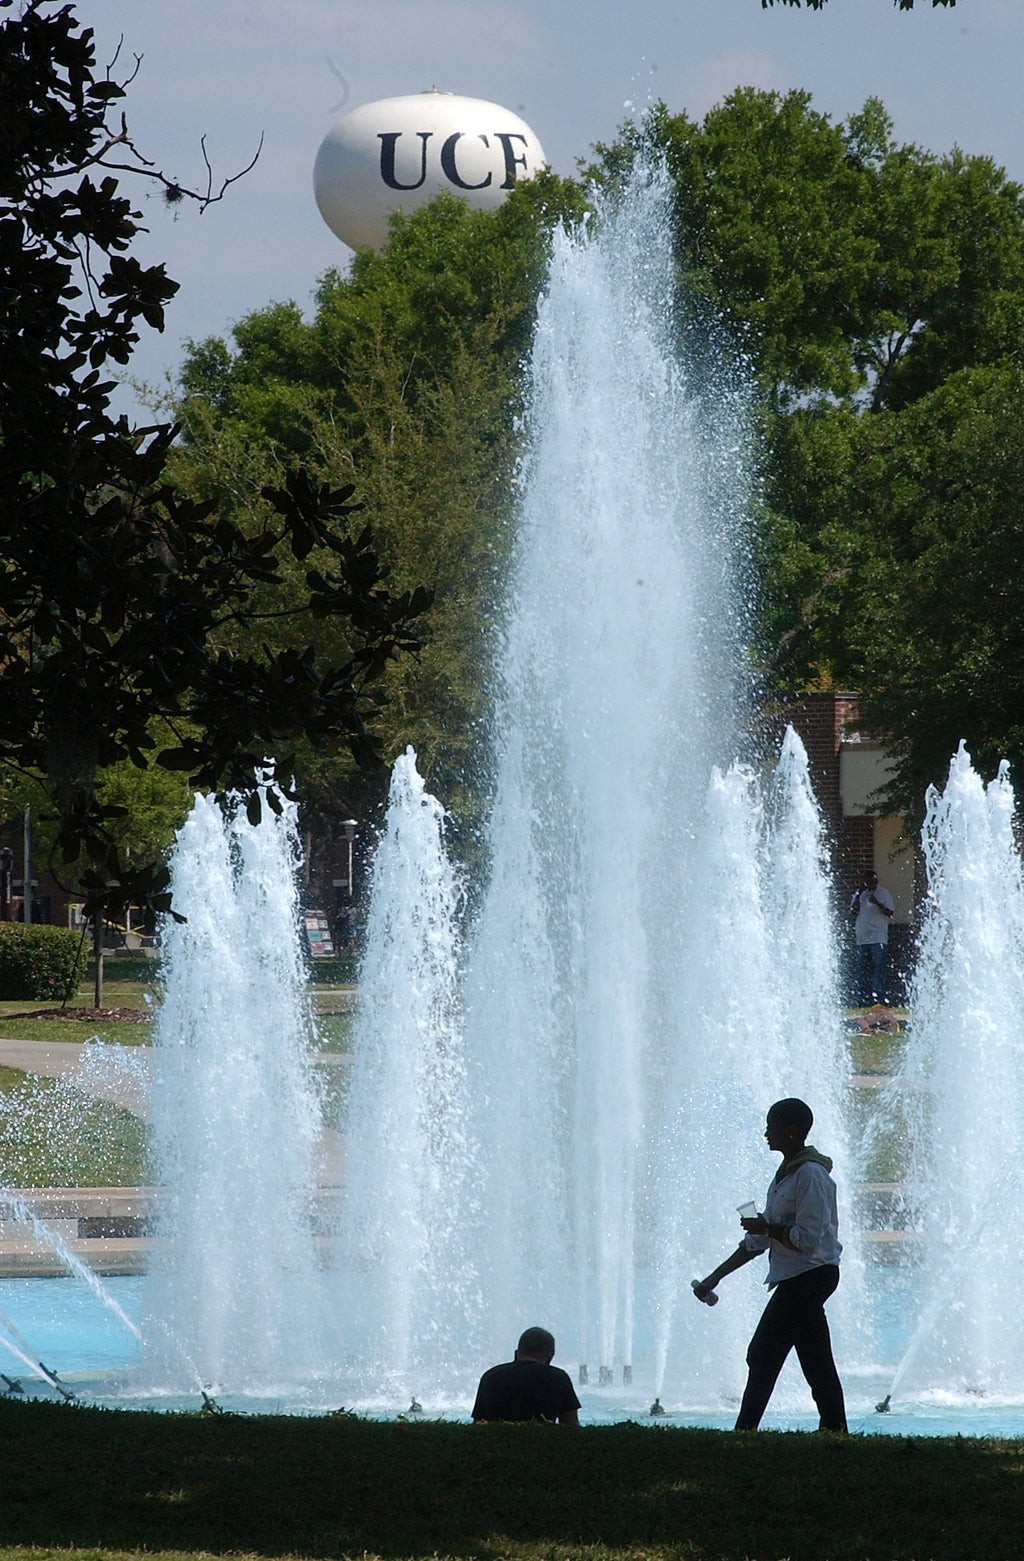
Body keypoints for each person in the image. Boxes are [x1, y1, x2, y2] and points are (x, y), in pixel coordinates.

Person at [692, 1097, 847, 1433]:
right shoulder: (784, 1176)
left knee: (762, 1353)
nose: (766, 1133)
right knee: (816, 1359)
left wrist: (767, 1228)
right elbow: (759, 1242)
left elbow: (806, 1238)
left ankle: (745, 1430)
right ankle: (835, 1429)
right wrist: (715, 1277)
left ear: (791, 1131)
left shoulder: (811, 1175)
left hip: (810, 1275)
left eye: (771, 1127)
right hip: (797, 1277)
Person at [471, 1326, 581, 1424]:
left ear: (516, 1353)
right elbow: (571, 1426)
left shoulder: (490, 1377)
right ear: (550, 1357)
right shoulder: (559, 1378)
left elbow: (478, 1425)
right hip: (542, 1441)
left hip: (497, 1440)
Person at [850, 869, 894, 1005]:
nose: (869, 884)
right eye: (866, 881)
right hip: (862, 938)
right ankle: (862, 998)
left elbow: (890, 912)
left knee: (878, 968)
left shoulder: (883, 893)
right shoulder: (861, 894)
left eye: (871, 881)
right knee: (862, 969)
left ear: (876, 881)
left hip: (877, 937)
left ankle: (877, 997)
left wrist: (877, 902)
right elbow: (852, 912)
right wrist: (858, 894)